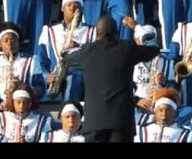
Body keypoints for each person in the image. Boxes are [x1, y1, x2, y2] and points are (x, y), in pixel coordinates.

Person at [62, 13, 161, 143]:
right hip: (121, 122)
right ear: (116, 33)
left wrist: (74, 47)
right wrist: (136, 28)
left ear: (97, 33)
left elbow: (67, 57)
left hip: (94, 123)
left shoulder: (86, 51)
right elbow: (153, 49)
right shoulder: (127, 48)